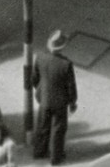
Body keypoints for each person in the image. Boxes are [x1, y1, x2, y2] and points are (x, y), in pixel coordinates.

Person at [30, 27, 78, 165]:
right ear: (62, 48)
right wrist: (72, 102)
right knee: (58, 129)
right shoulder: (66, 64)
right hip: (60, 102)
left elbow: (34, 79)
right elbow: (71, 86)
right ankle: (55, 157)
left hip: (44, 99)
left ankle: (39, 152)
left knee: (42, 126)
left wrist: (41, 90)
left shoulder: (40, 57)